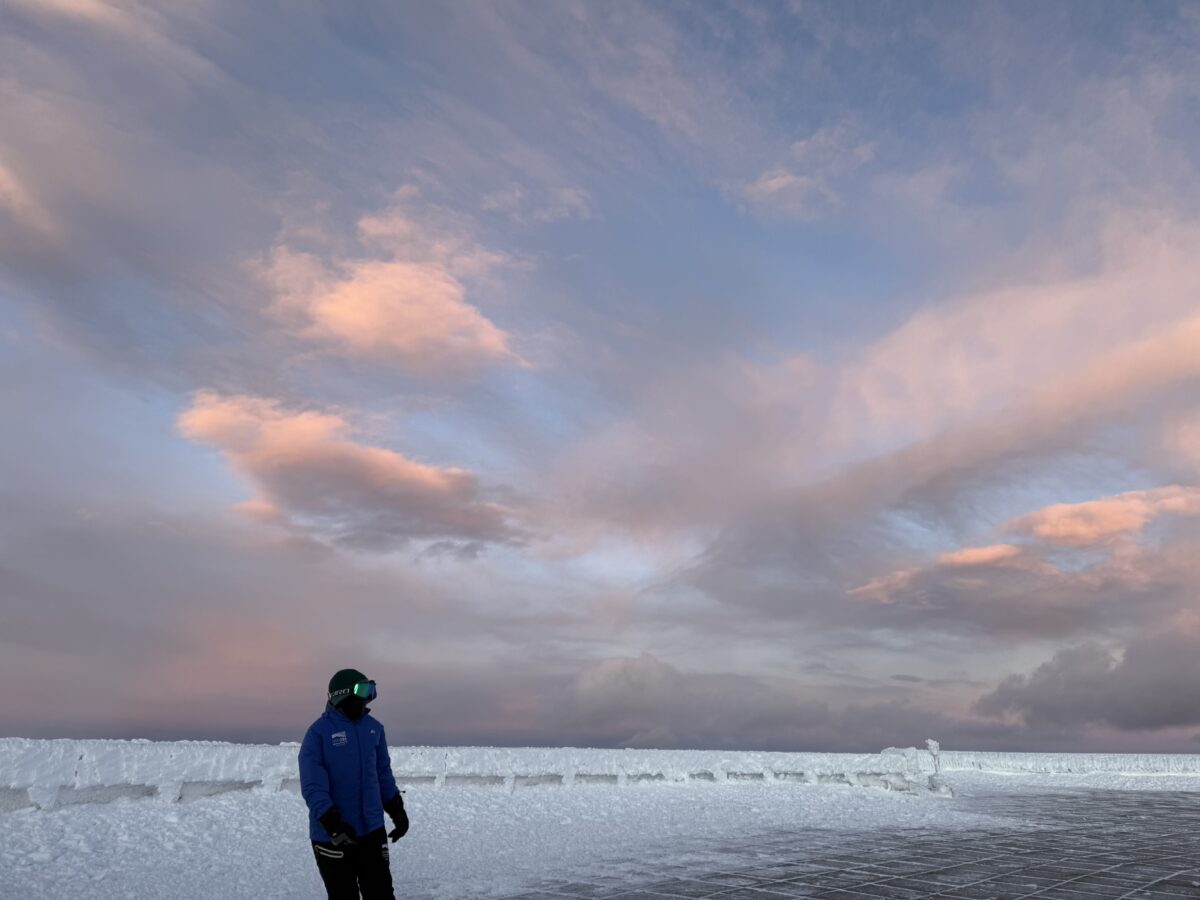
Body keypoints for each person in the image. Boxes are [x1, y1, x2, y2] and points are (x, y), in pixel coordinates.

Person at [299, 668, 409, 900]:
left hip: (372, 832)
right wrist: (332, 822)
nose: (368, 697)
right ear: (343, 694)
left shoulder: (374, 729)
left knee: (381, 894)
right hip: (333, 837)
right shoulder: (318, 734)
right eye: (363, 690)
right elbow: (313, 786)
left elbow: (382, 774)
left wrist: (396, 809)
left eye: (371, 690)